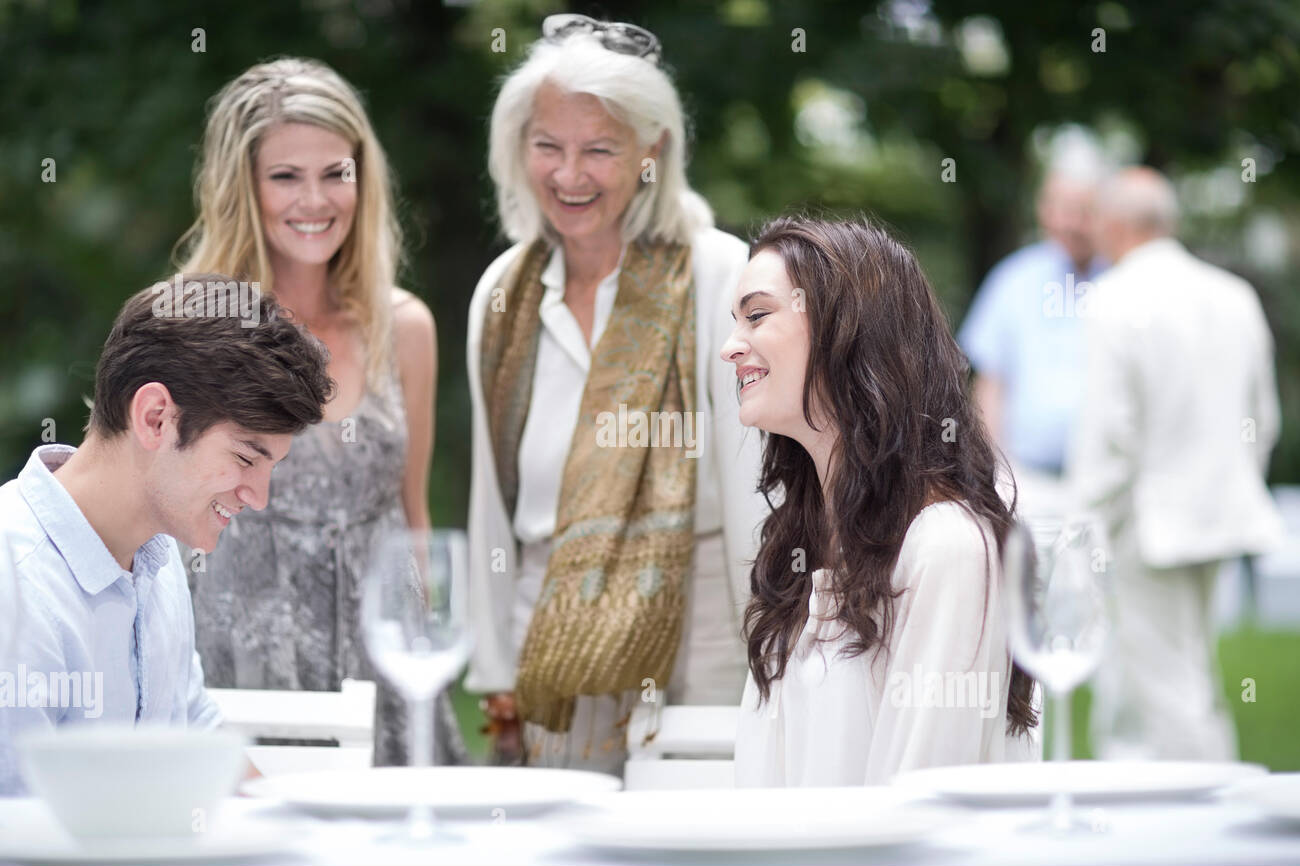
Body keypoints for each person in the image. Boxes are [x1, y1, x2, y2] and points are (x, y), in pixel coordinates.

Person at [466, 15, 767, 772]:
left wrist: (771, 646)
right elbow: (488, 503)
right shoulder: (502, 292)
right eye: (548, 147)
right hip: (550, 625)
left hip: (700, 619)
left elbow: (755, 489)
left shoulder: (718, 273)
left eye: (600, 150)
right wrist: (496, 672)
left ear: (651, 152)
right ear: (517, 150)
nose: (570, 176)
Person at [177, 58, 464, 766]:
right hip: (236, 669)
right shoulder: (192, 324)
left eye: (336, 172)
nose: (315, 199)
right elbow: (156, 523)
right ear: (243, 185)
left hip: (380, 672)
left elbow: (413, 519)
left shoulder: (407, 329)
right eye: (285, 176)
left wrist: (424, 653)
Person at [723, 215, 1041, 787]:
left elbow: (915, 816)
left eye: (758, 316)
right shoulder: (802, 541)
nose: (730, 347)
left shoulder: (945, 547)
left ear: (848, 327)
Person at [0, 276, 333, 794]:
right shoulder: (15, 591)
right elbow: (20, 835)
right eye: (246, 457)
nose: (260, 497)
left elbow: (197, 737)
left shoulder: (157, 556)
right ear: (156, 418)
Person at [1068, 167, 1284, 761]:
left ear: (1114, 226)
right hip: (1220, 513)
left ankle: (1212, 821)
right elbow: (1262, 420)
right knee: (1189, 667)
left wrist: (1085, 523)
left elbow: (1111, 434)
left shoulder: (1114, 299)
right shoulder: (1232, 293)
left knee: (1168, 686)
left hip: (1148, 520)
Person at [958, 168, 1107, 519]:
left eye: (1084, 211)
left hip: (1104, 485)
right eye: (1061, 209)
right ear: (1044, 211)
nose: (1071, 223)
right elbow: (991, 383)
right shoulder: (1013, 279)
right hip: (1027, 483)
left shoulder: (1126, 282)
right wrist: (997, 471)